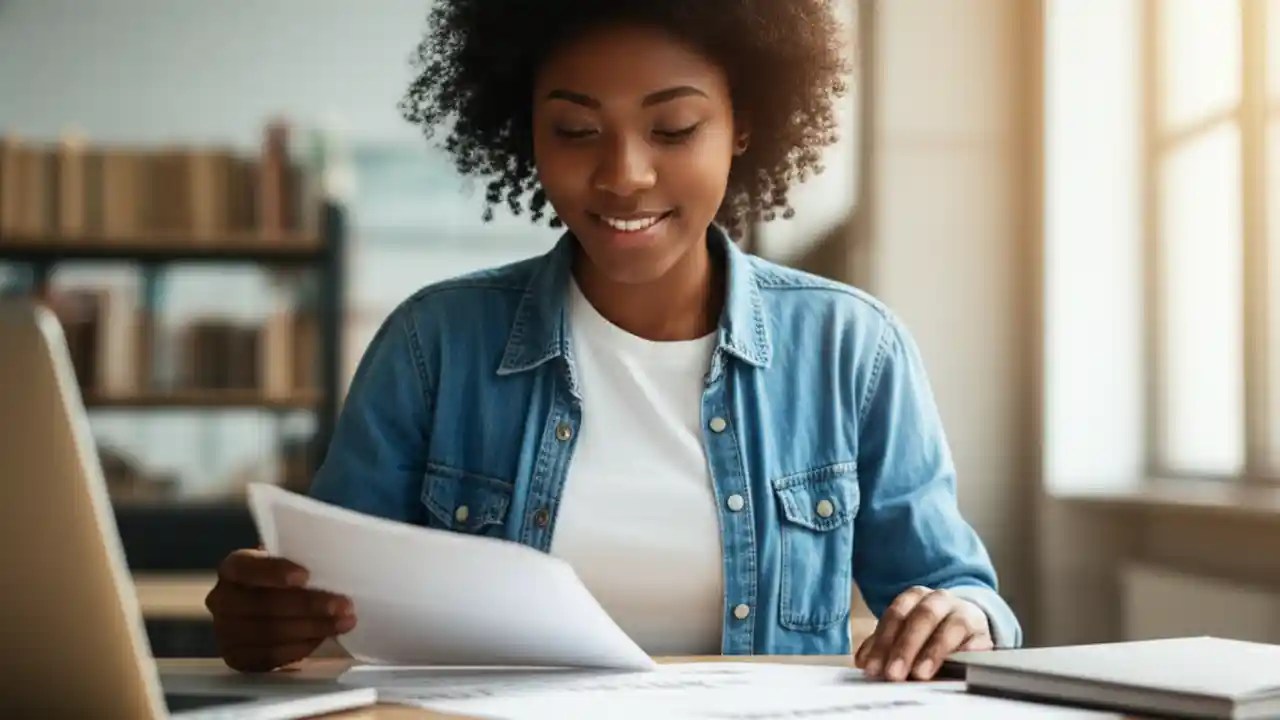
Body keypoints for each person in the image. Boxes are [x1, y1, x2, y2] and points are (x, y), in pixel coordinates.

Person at [205, 0, 1022, 682]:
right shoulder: (434, 345)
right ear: (525, 131)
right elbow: (323, 599)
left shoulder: (854, 350)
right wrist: (269, 616)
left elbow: (958, 593)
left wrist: (961, 618)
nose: (624, 174)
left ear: (743, 125)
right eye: (575, 130)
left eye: (672, 128)